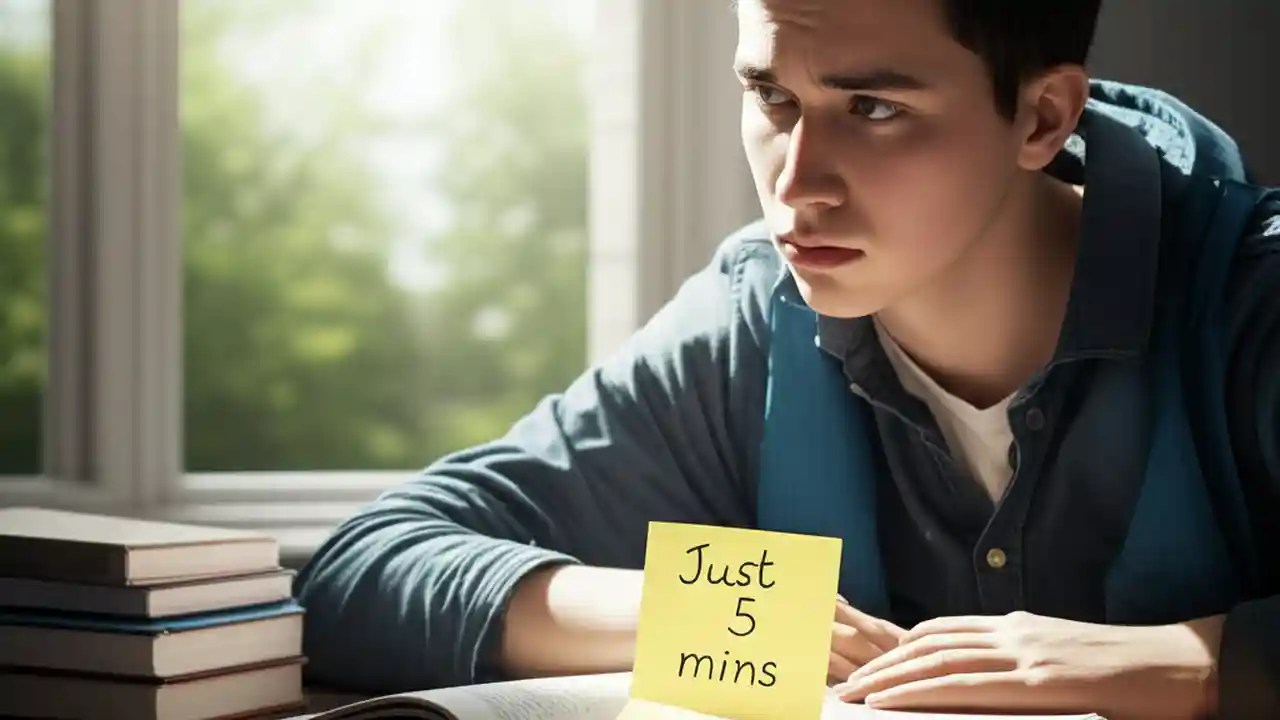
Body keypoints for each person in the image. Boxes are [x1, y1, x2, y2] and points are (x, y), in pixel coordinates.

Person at [295, 1, 1280, 717]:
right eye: (770, 96)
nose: (795, 187)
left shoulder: (1251, 302)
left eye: (873, 109)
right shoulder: (745, 322)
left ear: (1039, 119)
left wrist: (1195, 663)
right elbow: (358, 573)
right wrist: (713, 610)